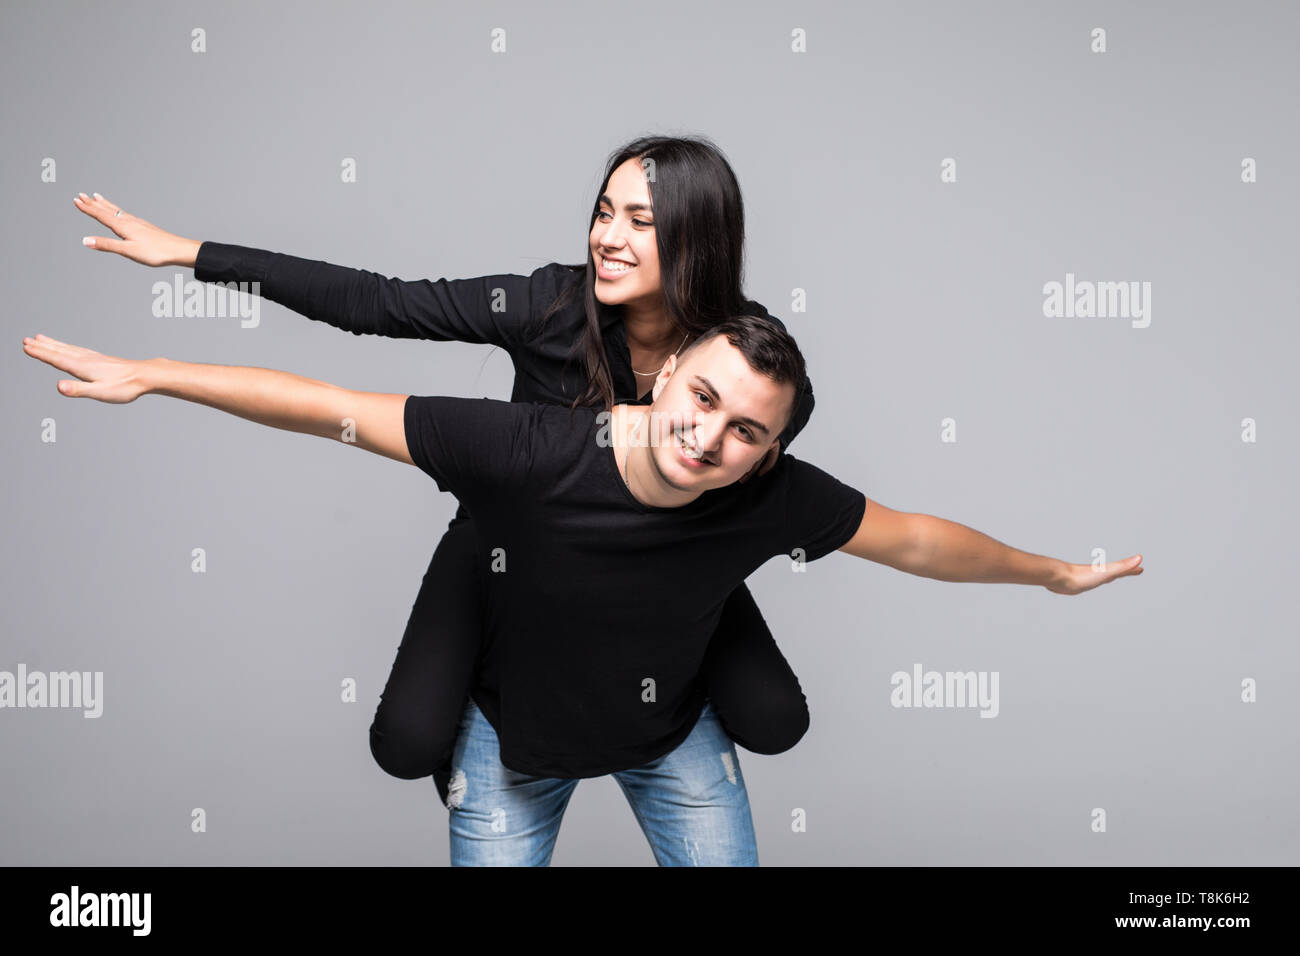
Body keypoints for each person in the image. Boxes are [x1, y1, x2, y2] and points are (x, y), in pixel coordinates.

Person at [21, 316, 1144, 865]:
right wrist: (157, 373)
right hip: (517, 745)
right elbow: (324, 403)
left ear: (768, 453)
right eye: (699, 397)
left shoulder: (773, 495)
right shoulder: (525, 452)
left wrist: (1050, 573)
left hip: (673, 739)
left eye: (745, 429)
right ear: (664, 374)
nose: (708, 435)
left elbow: (915, 541)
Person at [72, 135, 821, 805]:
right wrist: (190, 254)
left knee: (775, 718)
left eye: (640, 222)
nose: (608, 238)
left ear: (698, 241)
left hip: (673, 559)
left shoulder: (741, 346)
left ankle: (647, 696)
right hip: (510, 540)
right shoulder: (546, 304)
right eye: (604, 212)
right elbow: (377, 303)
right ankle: (506, 694)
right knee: (406, 743)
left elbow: (779, 440)